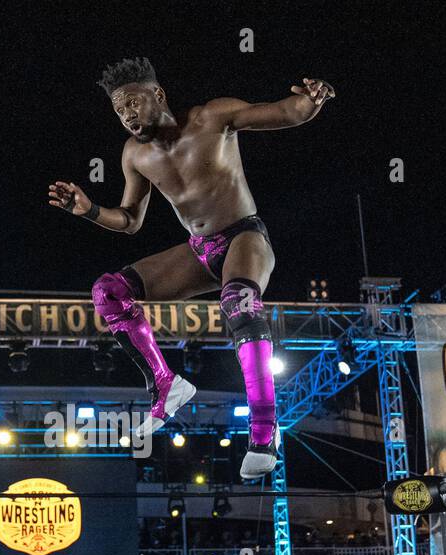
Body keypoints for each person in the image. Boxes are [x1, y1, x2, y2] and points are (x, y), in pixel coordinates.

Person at [55, 57, 335, 479]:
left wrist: (312, 99)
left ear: (158, 95)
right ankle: (167, 386)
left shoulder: (211, 118)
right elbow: (131, 220)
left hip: (244, 236)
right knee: (109, 290)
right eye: (118, 110)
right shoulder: (134, 154)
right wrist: (90, 209)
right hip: (200, 251)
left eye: (132, 103)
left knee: (237, 304)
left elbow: (284, 112)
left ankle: (263, 431)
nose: (127, 115)